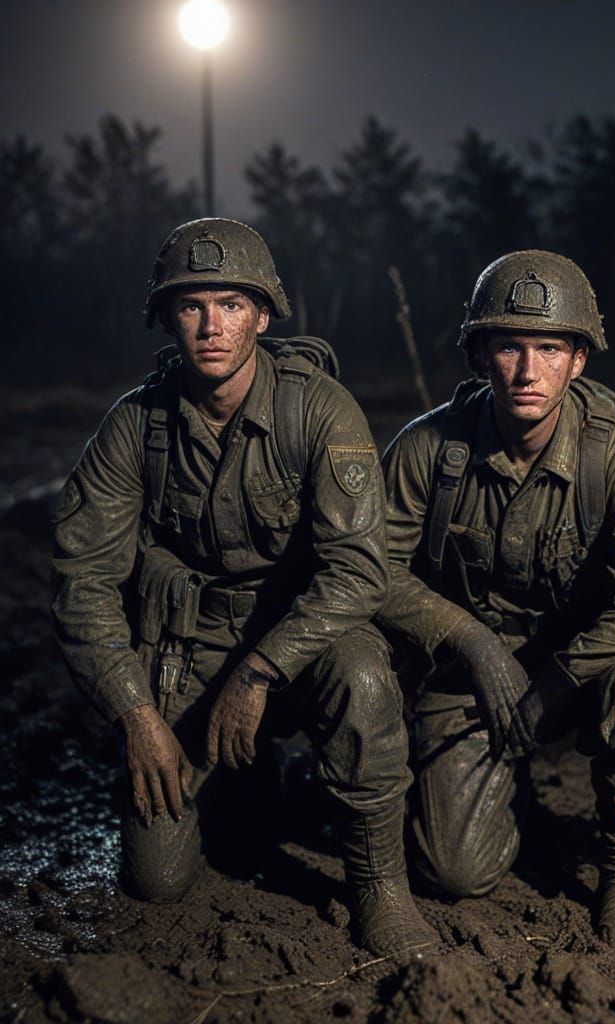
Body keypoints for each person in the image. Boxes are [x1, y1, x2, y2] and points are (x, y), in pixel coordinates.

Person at [50, 217, 436, 956]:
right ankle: (246, 786)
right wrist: (135, 715)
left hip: (300, 639)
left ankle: (379, 886)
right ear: (167, 318)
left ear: (262, 314)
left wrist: (261, 669)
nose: (211, 326)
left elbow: (358, 569)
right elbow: (83, 581)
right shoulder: (134, 426)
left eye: (230, 304)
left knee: (363, 673)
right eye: (191, 306)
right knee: (157, 880)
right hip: (186, 648)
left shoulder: (319, 409)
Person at [376, 250, 615, 953]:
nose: (527, 370)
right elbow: (371, 571)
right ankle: (502, 792)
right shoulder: (428, 447)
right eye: (509, 346)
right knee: (453, 873)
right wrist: (470, 639)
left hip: (580, 672)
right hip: (470, 679)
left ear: (579, 359)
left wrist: (561, 677)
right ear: (479, 353)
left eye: (549, 348)